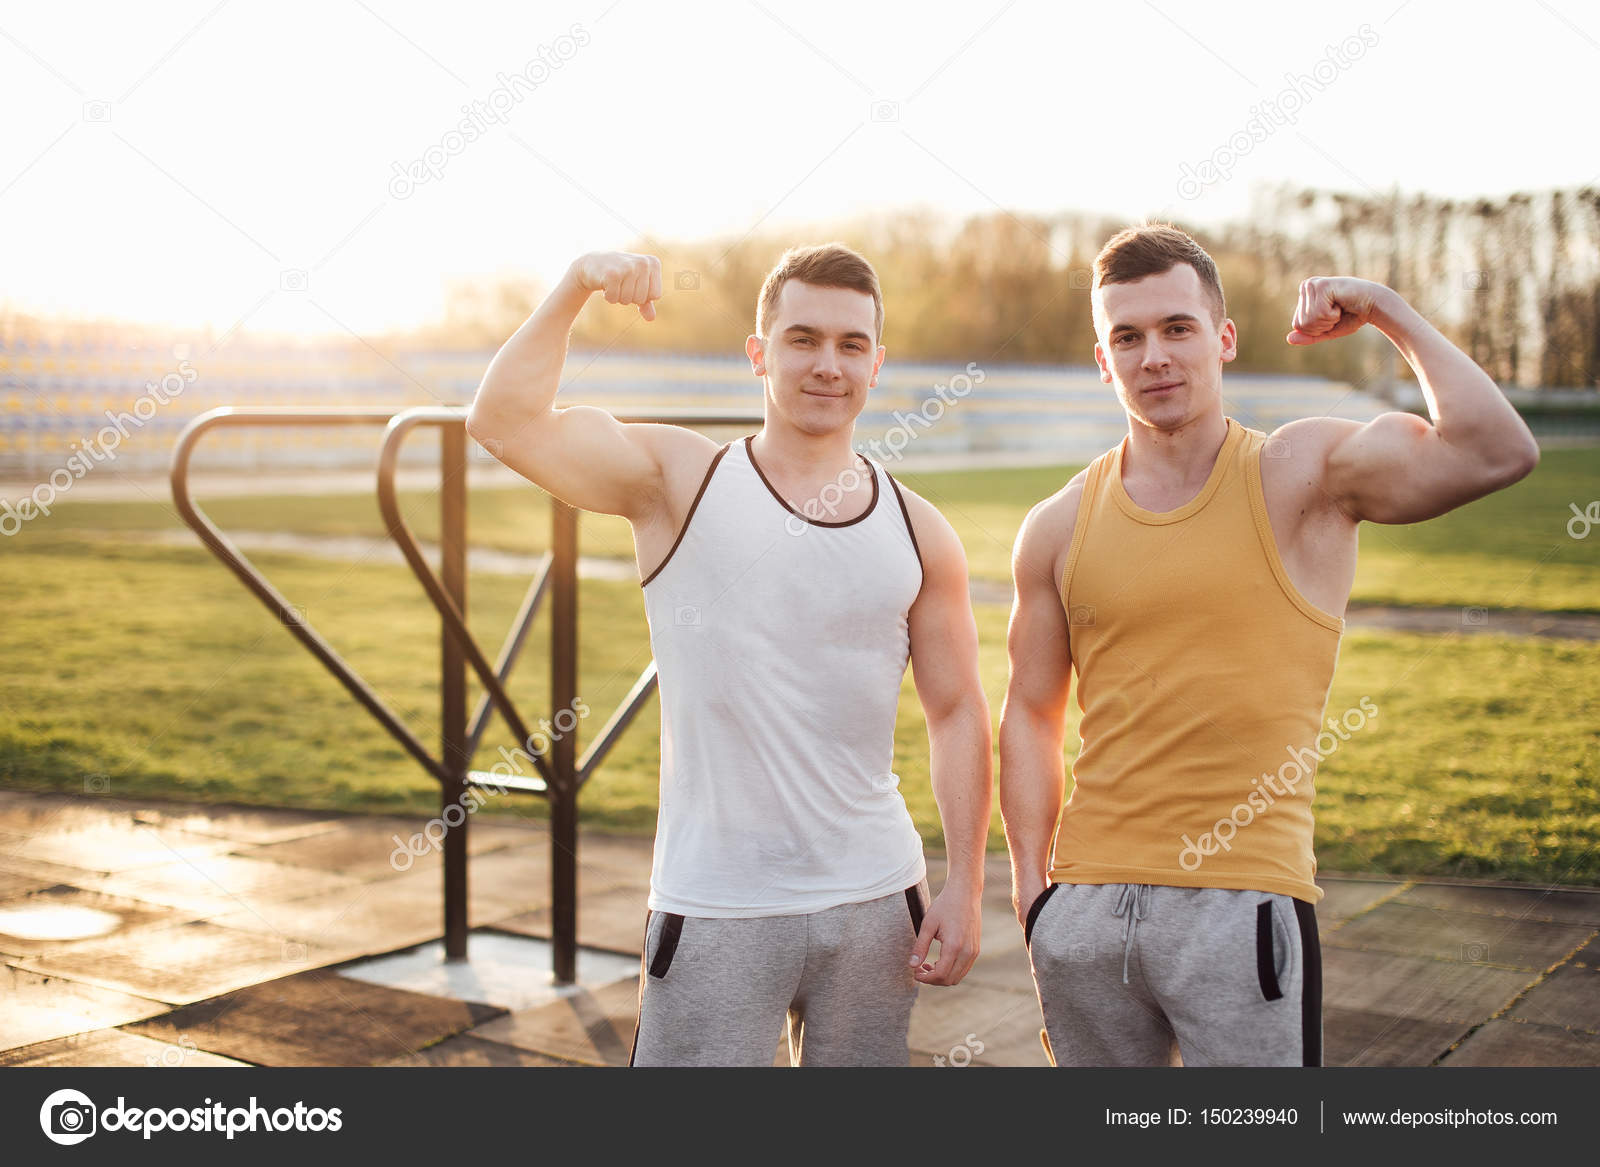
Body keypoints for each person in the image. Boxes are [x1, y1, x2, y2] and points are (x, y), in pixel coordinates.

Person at [998, 223, 1540, 1067]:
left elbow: (1496, 449)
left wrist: (1388, 310)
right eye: (1127, 337)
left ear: (1223, 339)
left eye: (1178, 328)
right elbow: (1030, 713)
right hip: (1088, 913)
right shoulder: (1058, 524)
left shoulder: (1302, 473)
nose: (1155, 357)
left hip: (1242, 904)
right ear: (1104, 362)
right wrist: (1036, 899)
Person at [467, 243, 991, 1067]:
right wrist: (574, 285)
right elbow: (502, 421)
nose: (828, 364)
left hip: (877, 903)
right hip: (716, 906)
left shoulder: (919, 529)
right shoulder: (680, 481)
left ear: (877, 363)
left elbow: (957, 708)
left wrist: (966, 882)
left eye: (852, 345)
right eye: (803, 339)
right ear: (759, 353)